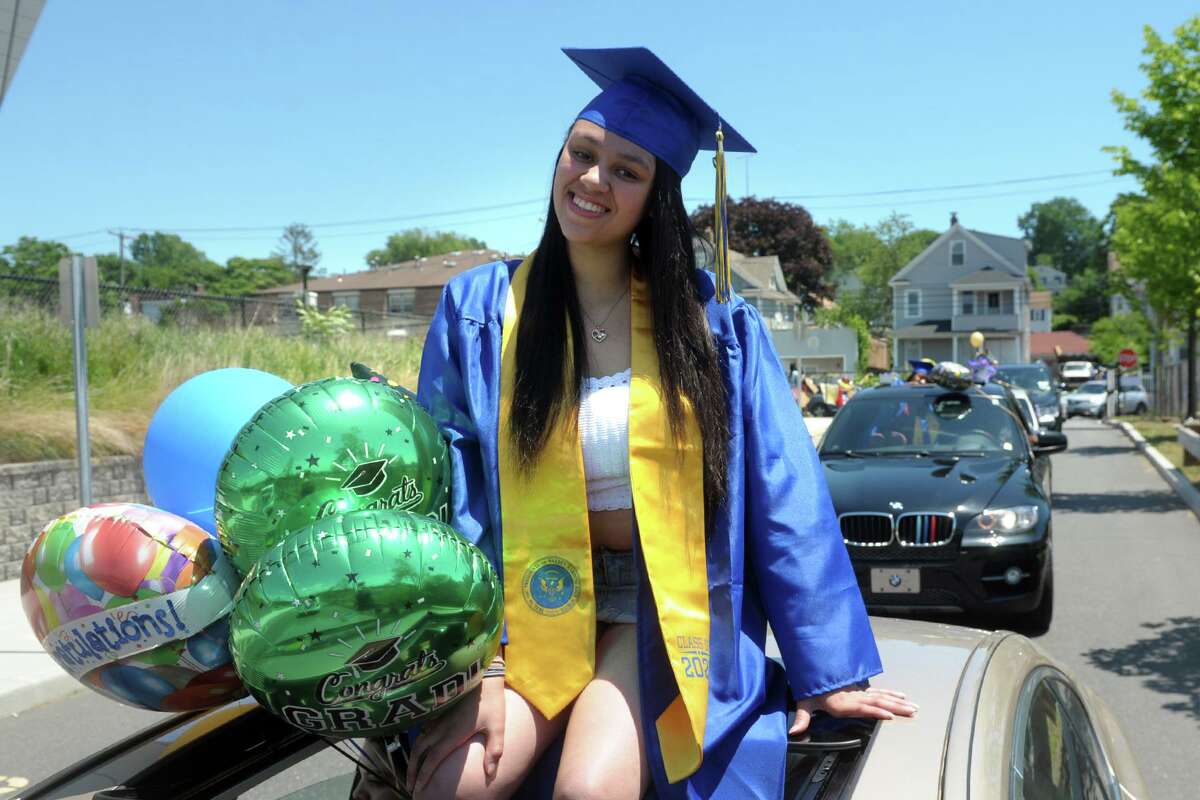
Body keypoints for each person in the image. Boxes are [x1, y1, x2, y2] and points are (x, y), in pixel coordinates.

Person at [403, 47, 915, 800]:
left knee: (588, 790)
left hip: (660, 610)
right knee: (454, 786)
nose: (592, 180)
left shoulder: (710, 329)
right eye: (583, 154)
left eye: (626, 170)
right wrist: (479, 663)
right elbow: (451, 493)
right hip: (525, 608)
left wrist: (826, 670)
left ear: (657, 197)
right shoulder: (483, 311)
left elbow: (784, 494)